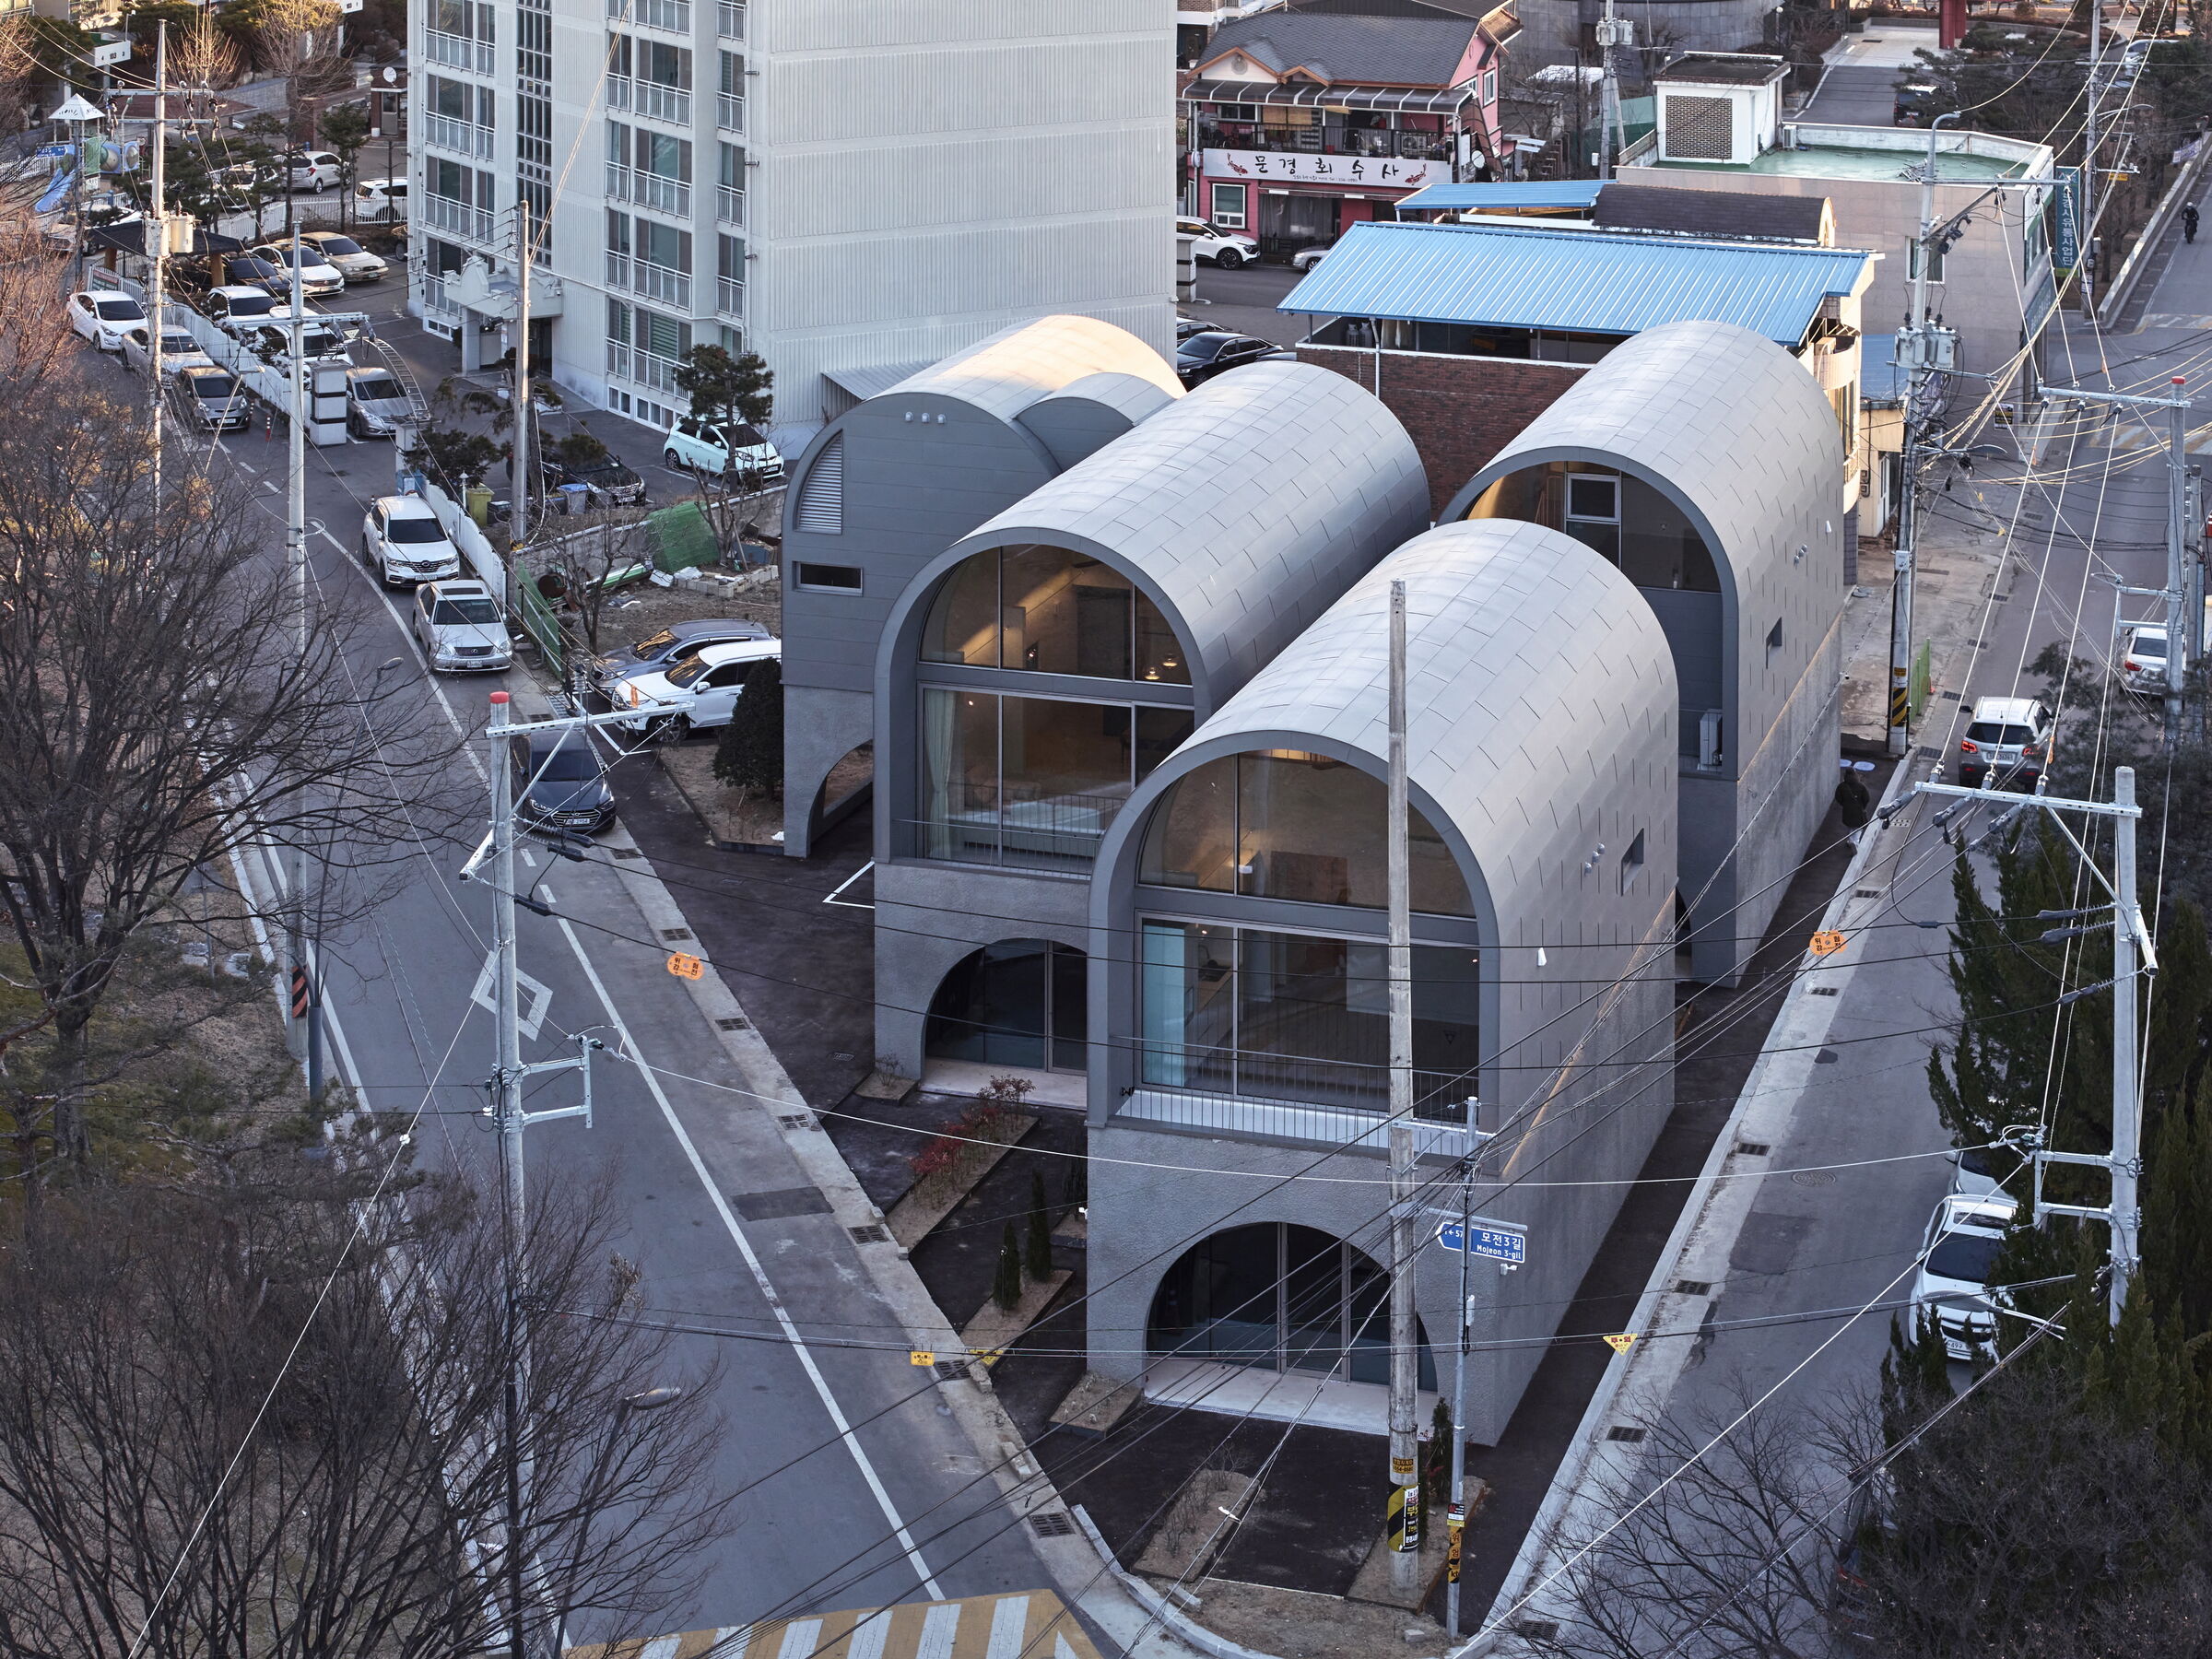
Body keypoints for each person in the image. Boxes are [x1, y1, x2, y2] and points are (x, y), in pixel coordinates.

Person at [1835, 766, 1871, 846]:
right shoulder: (1861, 786)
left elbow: (1838, 797)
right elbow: (1867, 798)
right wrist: (1863, 806)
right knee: (1858, 827)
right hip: (1858, 810)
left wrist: (1844, 804)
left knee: (1851, 826)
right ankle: (1855, 842)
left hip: (1847, 810)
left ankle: (1851, 841)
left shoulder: (1841, 786)